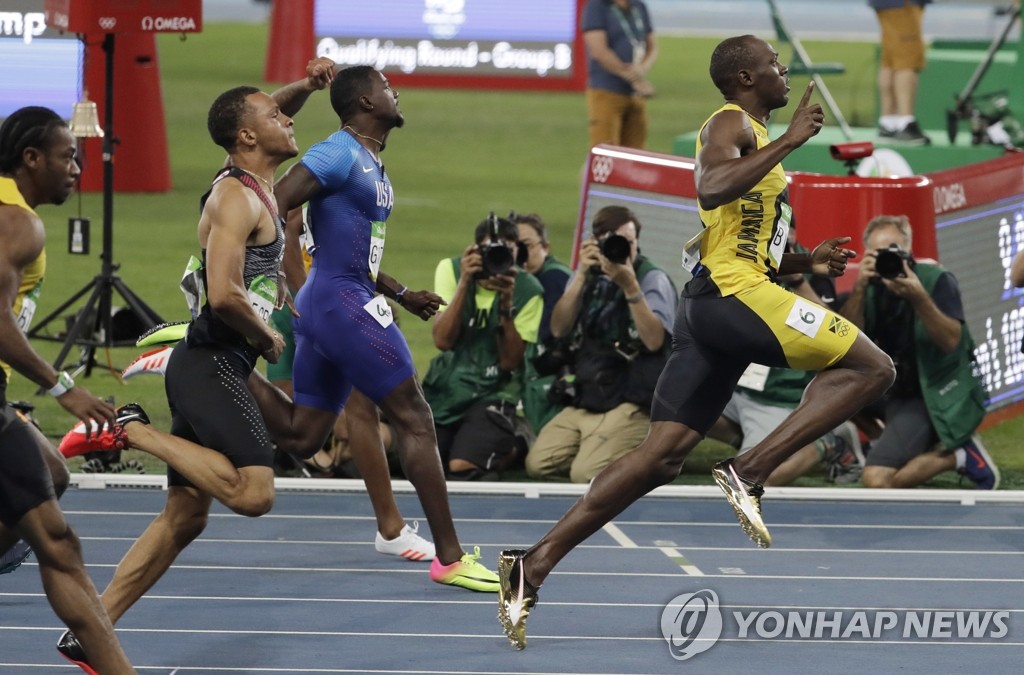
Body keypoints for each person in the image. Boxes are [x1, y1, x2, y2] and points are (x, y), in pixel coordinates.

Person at [496, 35, 897, 649]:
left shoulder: (757, 141)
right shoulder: (731, 123)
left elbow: (743, 240)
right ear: (743, 77)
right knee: (873, 369)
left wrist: (807, 260)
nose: (783, 70)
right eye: (772, 64)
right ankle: (750, 469)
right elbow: (710, 189)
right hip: (733, 300)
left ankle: (533, 563)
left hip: (717, 304)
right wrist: (791, 138)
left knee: (659, 457)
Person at [54, 63, 337, 668]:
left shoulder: (255, 181)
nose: (287, 119)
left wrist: (306, 89)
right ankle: (129, 429)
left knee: (184, 518)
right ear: (247, 139)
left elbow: (254, 112)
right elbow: (225, 291)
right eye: (274, 115)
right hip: (210, 360)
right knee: (255, 493)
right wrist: (267, 337)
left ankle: (91, 628)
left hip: (213, 364)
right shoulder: (234, 195)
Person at [261, 65, 500, 590]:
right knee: (415, 418)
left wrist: (400, 293)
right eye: (389, 88)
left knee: (303, 436)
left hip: (333, 300)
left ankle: (213, 360)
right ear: (366, 101)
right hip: (340, 303)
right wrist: (268, 273)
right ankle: (451, 558)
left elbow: (350, 251)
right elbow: (274, 201)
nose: (398, 93)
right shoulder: (338, 151)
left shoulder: (372, 163)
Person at [0, 106, 135, 673]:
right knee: (59, 545)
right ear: (32, 159)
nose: (77, 167)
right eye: (66, 156)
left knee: (52, 471)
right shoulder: (17, 222)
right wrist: (62, 387)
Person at [271, 207, 434, 560]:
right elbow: (289, 229)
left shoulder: (365, 186)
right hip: (316, 305)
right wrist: (311, 300)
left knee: (325, 425)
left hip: (337, 301)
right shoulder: (330, 172)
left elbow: (356, 267)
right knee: (339, 420)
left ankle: (391, 527)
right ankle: (392, 528)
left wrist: (401, 293)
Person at [840, 214, 998, 489]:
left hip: (930, 393)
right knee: (831, 381)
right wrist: (859, 289)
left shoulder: (936, 280)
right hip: (892, 386)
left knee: (877, 480)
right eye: (878, 253)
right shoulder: (871, 287)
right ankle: (885, 438)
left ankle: (959, 456)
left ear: (908, 251)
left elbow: (951, 342)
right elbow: (846, 344)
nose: (886, 260)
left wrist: (918, 297)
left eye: (893, 251)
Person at [524, 205, 676, 483]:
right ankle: (601, 443)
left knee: (583, 474)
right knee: (538, 464)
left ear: (637, 243)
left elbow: (654, 342)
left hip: (630, 398)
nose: (621, 250)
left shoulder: (651, 278)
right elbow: (559, 328)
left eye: (628, 243)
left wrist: (630, 288)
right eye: (612, 242)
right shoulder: (588, 275)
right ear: (596, 243)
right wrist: (580, 275)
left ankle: (644, 450)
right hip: (589, 393)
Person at [422, 214, 544, 479]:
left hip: (495, 390)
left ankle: (515, 444)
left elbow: (509, 363)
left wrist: (506, 306)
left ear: (516, 252)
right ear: (475, 250)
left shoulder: (528, 289)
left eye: (506, 251)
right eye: (491, 251)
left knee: (462, 468)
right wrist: (465, 282)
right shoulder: (452, 270)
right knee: (423, 463)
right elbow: (443, 341)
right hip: (450, 385)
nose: (497, 260)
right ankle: (500, 442)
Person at [513, 212, 572, 436]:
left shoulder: (554, 278)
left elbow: (543, 337)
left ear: (545, 246)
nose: (521, 254)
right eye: (515, 246)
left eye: (526, 245)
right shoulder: (525, 277)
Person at [581, 0, 658, 149]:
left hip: (636, 94)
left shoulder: (638, 6)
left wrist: (641, 69)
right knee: (603, 155)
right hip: (606, 91)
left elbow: (652, 47)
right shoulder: (597, 7)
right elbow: (599, 51)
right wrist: (630, 75)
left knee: (637, 155)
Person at [870, 0, 932, 144]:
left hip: (888, 4)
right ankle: (905, 122)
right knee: (907, 60)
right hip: (902, 4)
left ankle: (888, 122)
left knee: (890, 59)